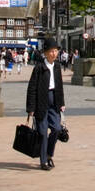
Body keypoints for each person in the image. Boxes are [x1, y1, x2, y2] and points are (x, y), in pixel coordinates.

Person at [26, 37, 65, 171]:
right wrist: (30, 108)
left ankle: (49, 154)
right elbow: (32, 88)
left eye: (56, 51)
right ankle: (43, 161)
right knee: (42, 132)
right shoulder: (39, 67)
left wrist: (62, 103)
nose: (54, 54)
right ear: (46, 53)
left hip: (54, 100)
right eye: (51, 51)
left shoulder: (57, 66)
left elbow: (59, 86)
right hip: (41, 102)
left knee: (57, 129)